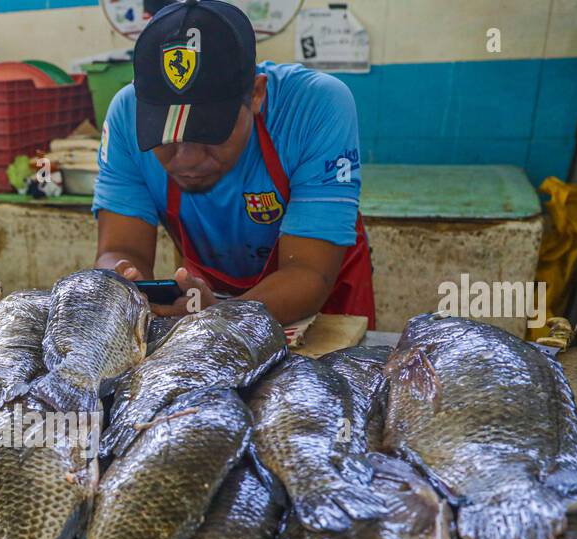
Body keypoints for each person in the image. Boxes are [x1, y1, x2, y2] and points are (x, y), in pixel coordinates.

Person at [93, 0, 374, 326]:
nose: (188, 159)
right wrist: (121, 283)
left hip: (323, 307)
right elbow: (122, 248)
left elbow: (308, 271)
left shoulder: (315, 106)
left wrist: (221, 317)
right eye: (165, 137)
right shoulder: (125, 115)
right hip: (206, 298)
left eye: (208, 134)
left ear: (256, 94)